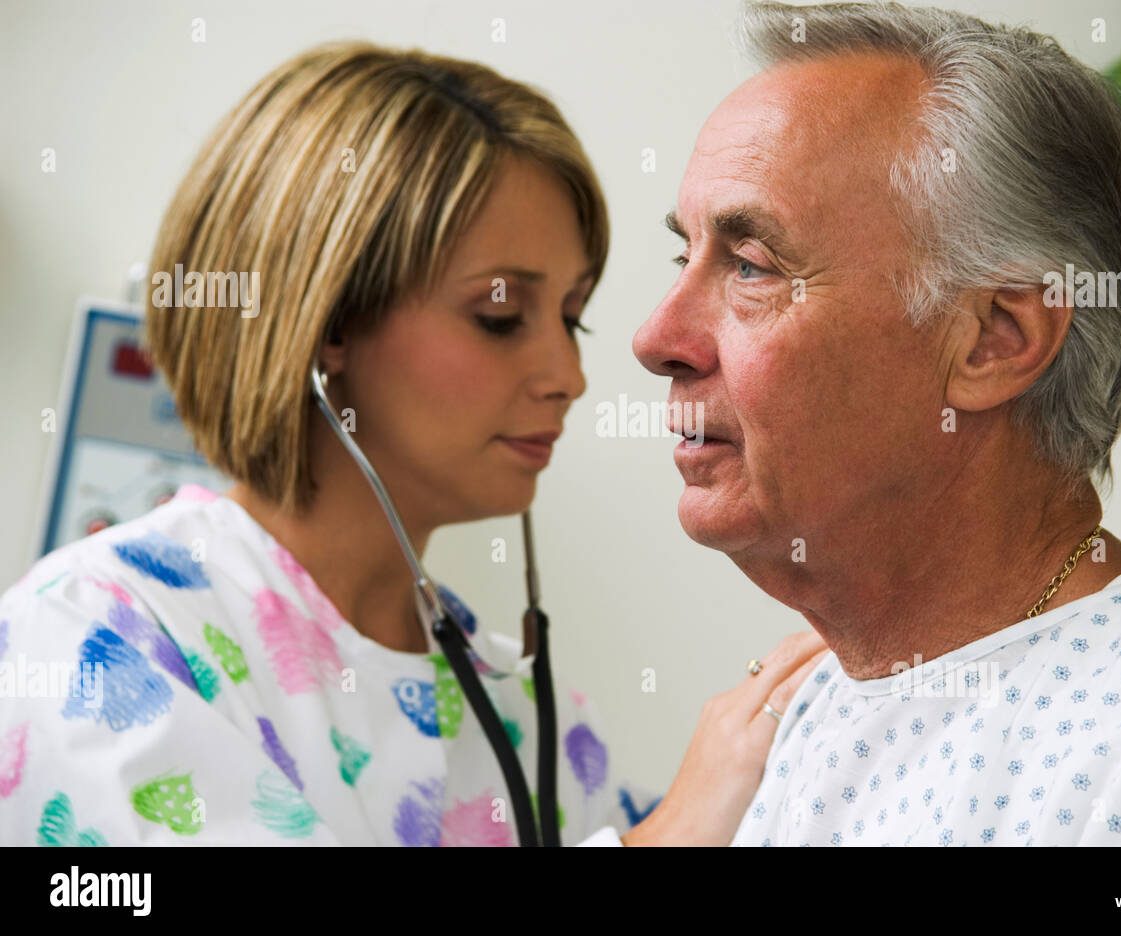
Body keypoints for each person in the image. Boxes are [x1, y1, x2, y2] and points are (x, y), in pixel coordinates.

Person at [0, 41, 826, 847]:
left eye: (571, 317)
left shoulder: (531, 714)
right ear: (325, 326)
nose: (568, 376)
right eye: (500, 316)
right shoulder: (90, 637)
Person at [632, 1, 1121, 846]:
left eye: (752, 266)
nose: (657, 340)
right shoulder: (810, 707)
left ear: (994, 340)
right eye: (681, 255)